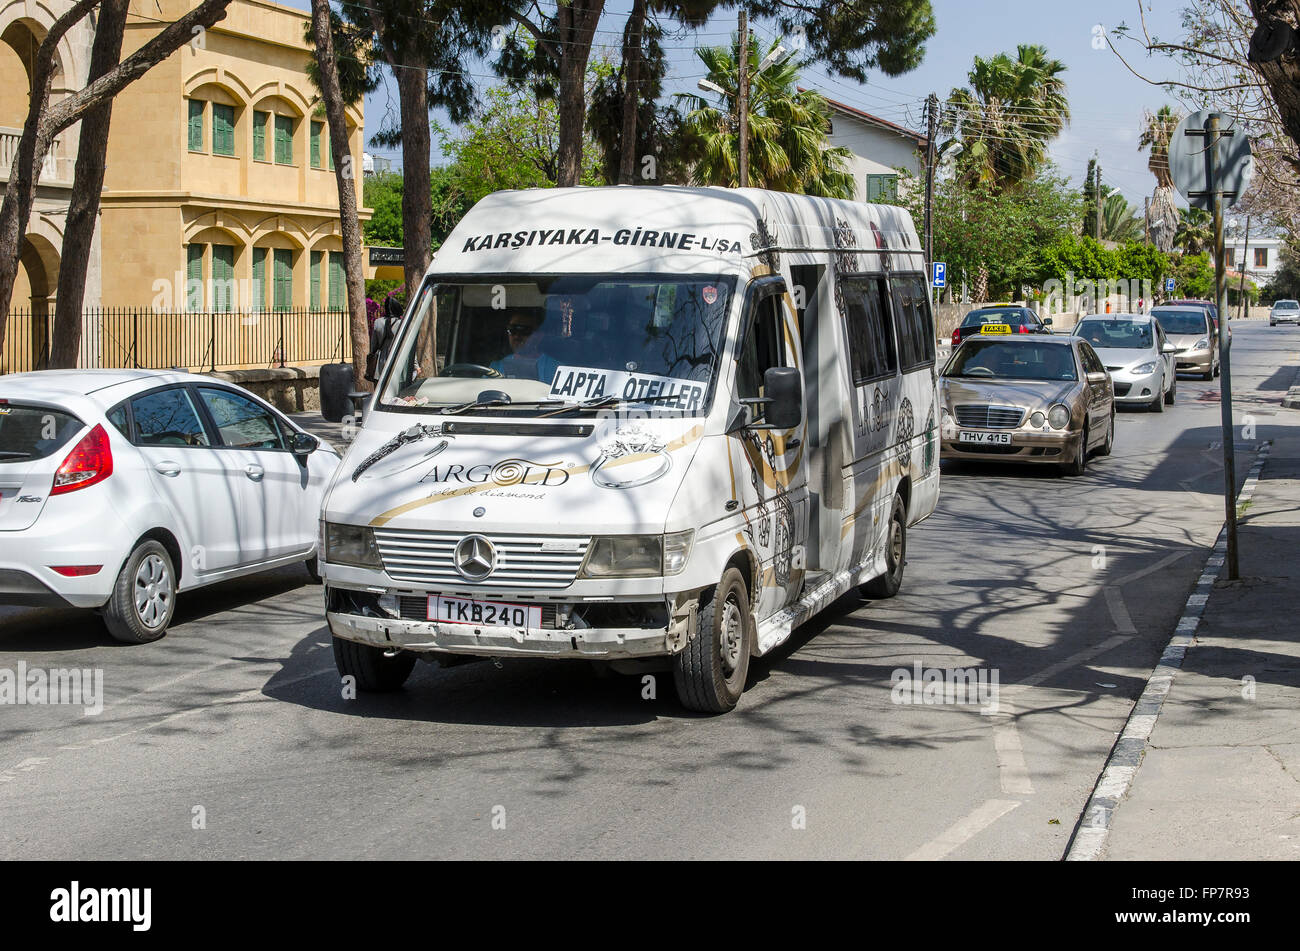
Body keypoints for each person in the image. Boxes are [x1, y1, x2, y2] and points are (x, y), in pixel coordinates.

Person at [490, 311, 560, 382]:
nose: (517, 336)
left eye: (524, 331)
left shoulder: (556, 370)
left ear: (539, 336)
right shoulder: (496, 368)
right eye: (512, 330)